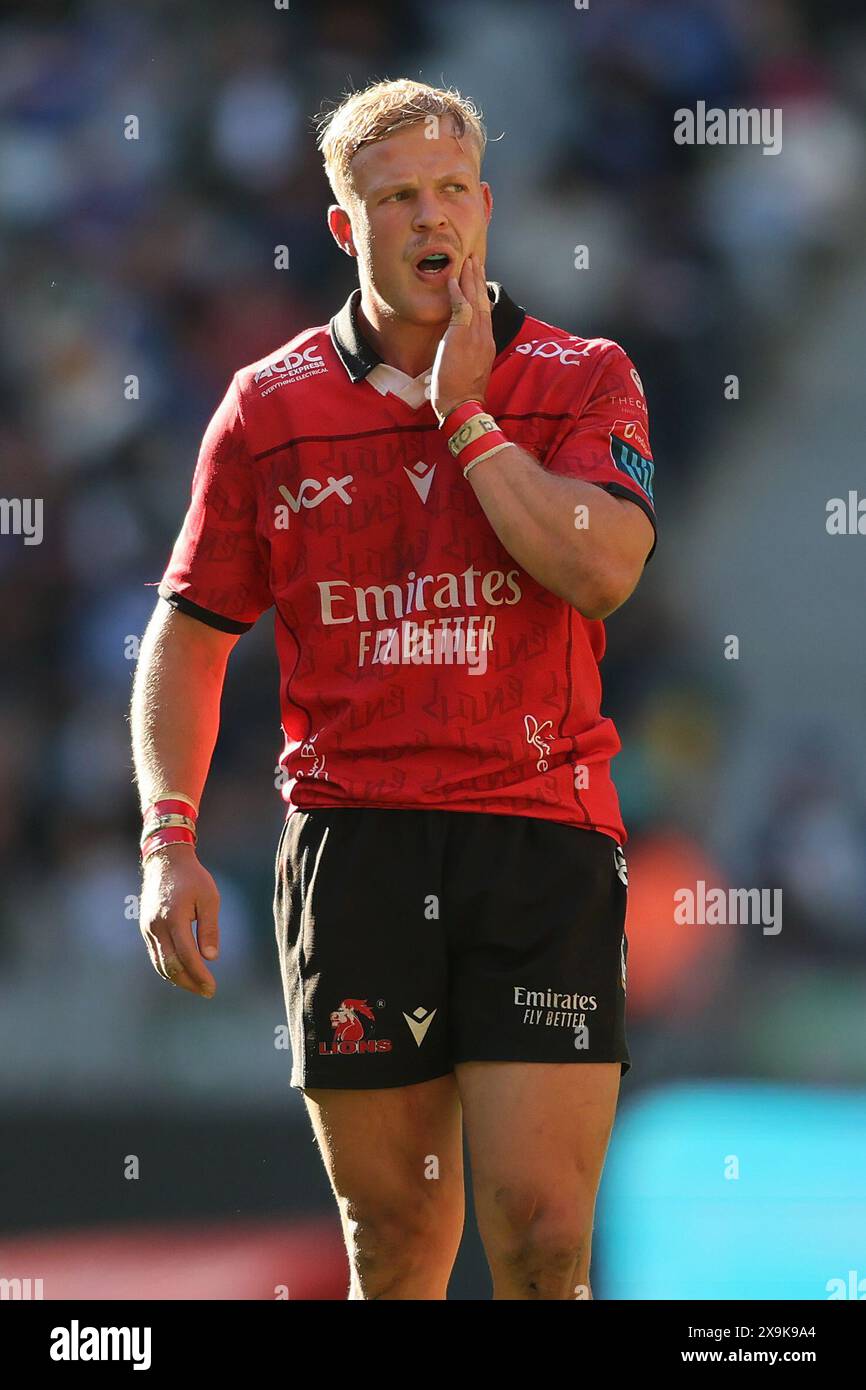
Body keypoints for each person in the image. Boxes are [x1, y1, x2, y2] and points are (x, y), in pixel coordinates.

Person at [130, 77, 657, 1301]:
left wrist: (464, 416)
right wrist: (169, 839)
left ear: (485, 204)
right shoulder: (267, 408)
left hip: (539, 831)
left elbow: (601, 567)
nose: (434, 218)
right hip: (354, 842)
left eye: (452, 190)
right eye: (398, 196)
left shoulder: (581, 377)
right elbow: (190, 633)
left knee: (538, 1237)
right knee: (398, 1251)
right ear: (344, 225)